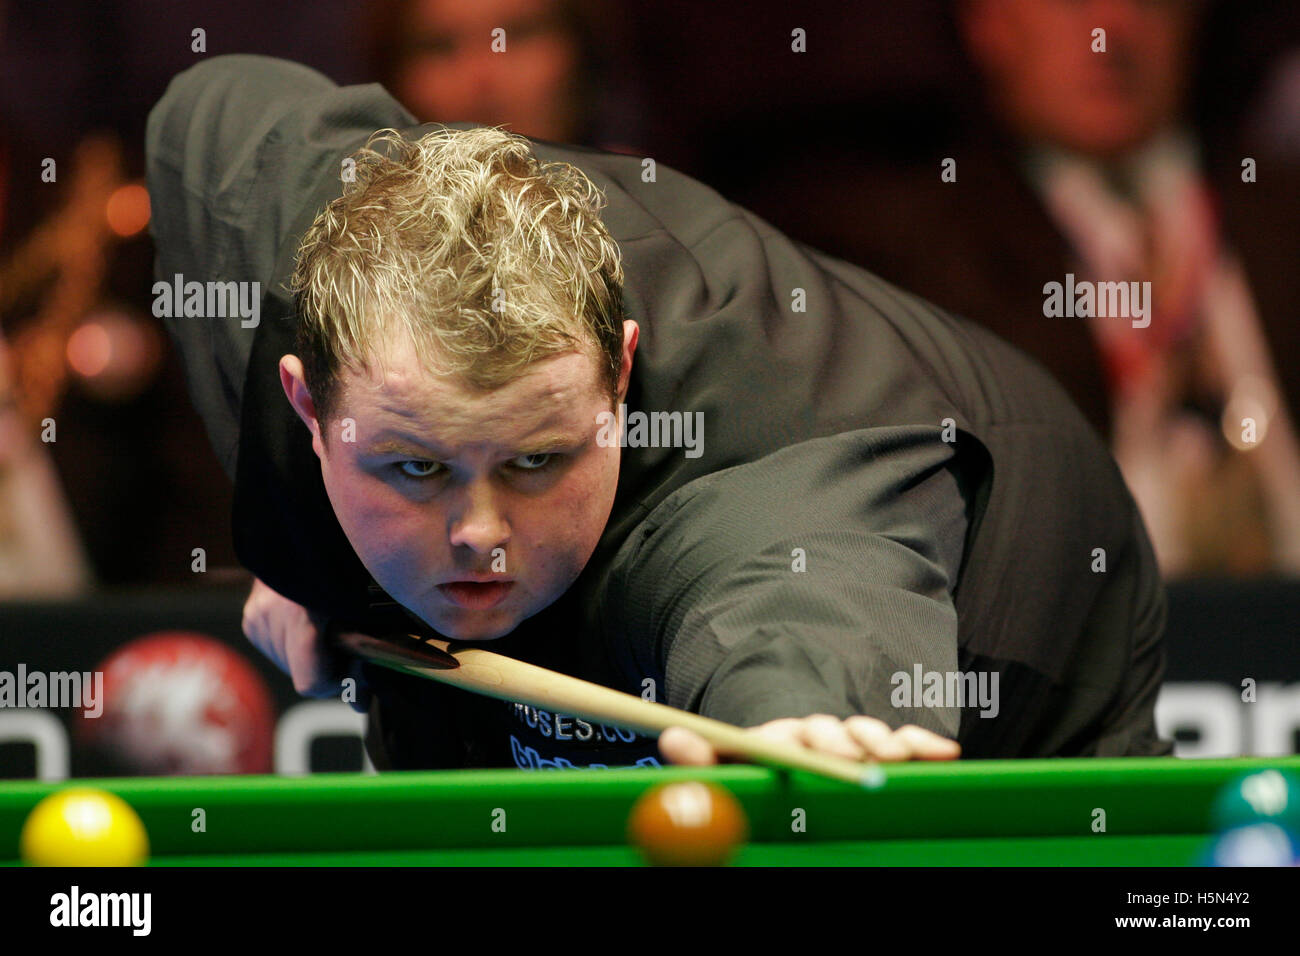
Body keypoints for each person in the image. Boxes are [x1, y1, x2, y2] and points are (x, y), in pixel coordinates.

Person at [146, 54, 1173, 771]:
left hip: (1014, 581)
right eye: (413, 468)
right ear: (305, 402)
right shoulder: (286, 219)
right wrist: (302, 548)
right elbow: (207, 104)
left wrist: (806, 721)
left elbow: (801, 622)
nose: (480, 532)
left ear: (620, 374)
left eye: (539, 460)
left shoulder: (760, 494)